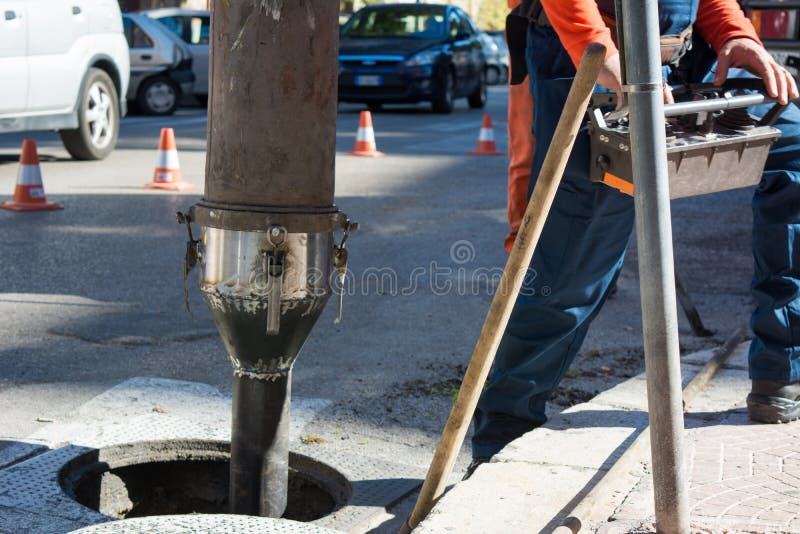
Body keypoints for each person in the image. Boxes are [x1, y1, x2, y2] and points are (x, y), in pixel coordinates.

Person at [470, 0, 800, 467]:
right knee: (574, 263)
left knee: (791, 145)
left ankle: (783, 370)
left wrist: (735, 35)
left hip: (687, 55)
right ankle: (504, 427)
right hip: (587, 55)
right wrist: (600, 51)